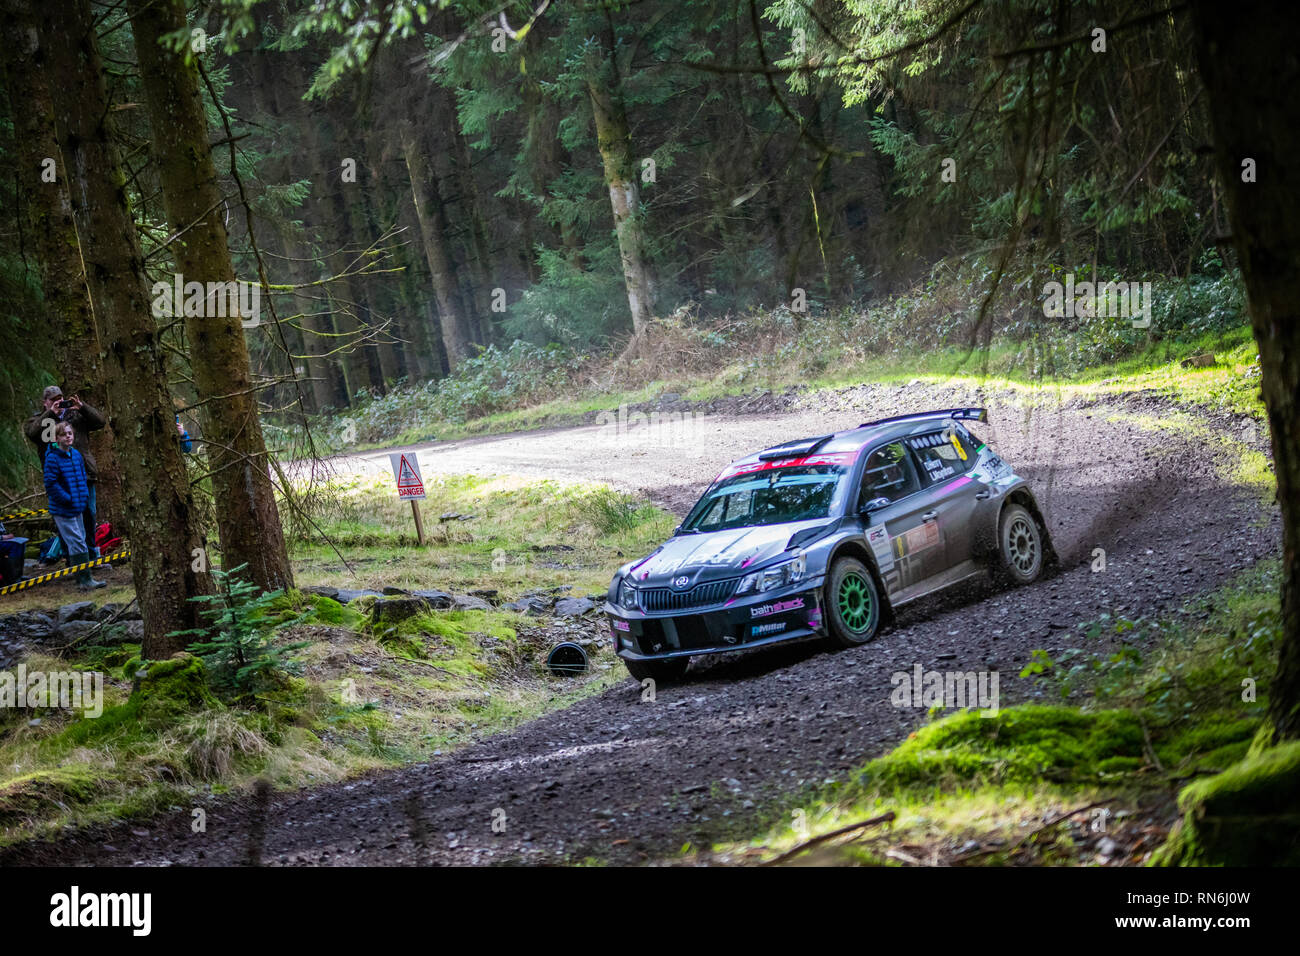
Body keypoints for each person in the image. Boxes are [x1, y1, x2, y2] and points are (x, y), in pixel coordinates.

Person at [24, 385, 107, 558]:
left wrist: (82, 407)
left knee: (89, 516)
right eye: (53, 400)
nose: (58, 402)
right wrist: (51, 414)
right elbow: (33, 434)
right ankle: (71, 559)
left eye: (60, 399)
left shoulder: (75, 415)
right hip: (60, 479)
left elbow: (100, 422)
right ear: (45, 402)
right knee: (66, 519)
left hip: (84, 474)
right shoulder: (42, 420)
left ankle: (92, 555)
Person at [43, 421, 104, 590]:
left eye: (70, 433)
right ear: (57, 438)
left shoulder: (76, 454)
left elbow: (82, 477)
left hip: (78, 505)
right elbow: (51, 484)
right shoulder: (52, 458)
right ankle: (85, 579)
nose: (68, 437)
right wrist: (67, 498)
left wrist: (83, 495)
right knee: (76, 541)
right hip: (63, 509)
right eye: (64, 434)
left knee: (81, 540)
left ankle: (83, 578)